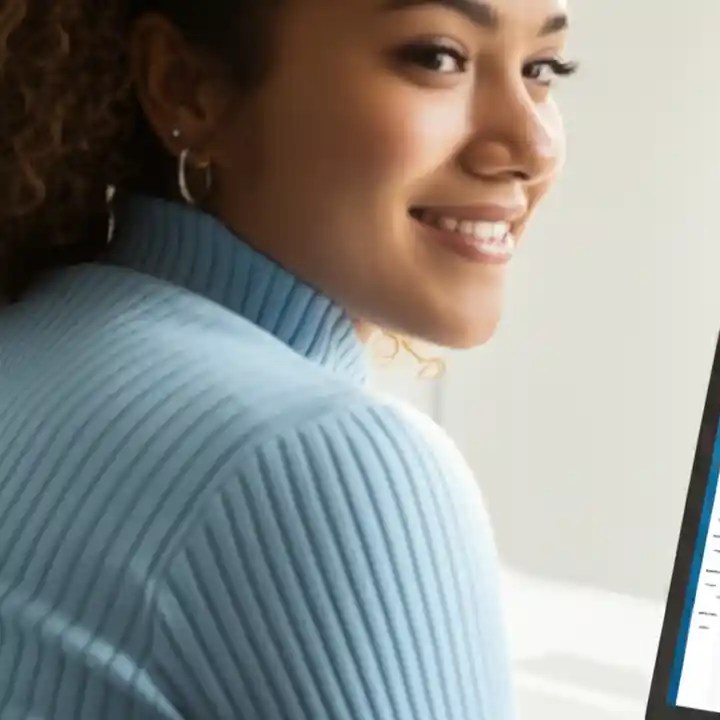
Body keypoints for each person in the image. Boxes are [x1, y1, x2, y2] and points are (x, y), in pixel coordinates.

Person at [0, 0, 576, 718]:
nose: (530, 146)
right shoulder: (325, 460)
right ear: (187, 85)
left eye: (542, 69)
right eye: (437, 57)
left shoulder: (31, 335)